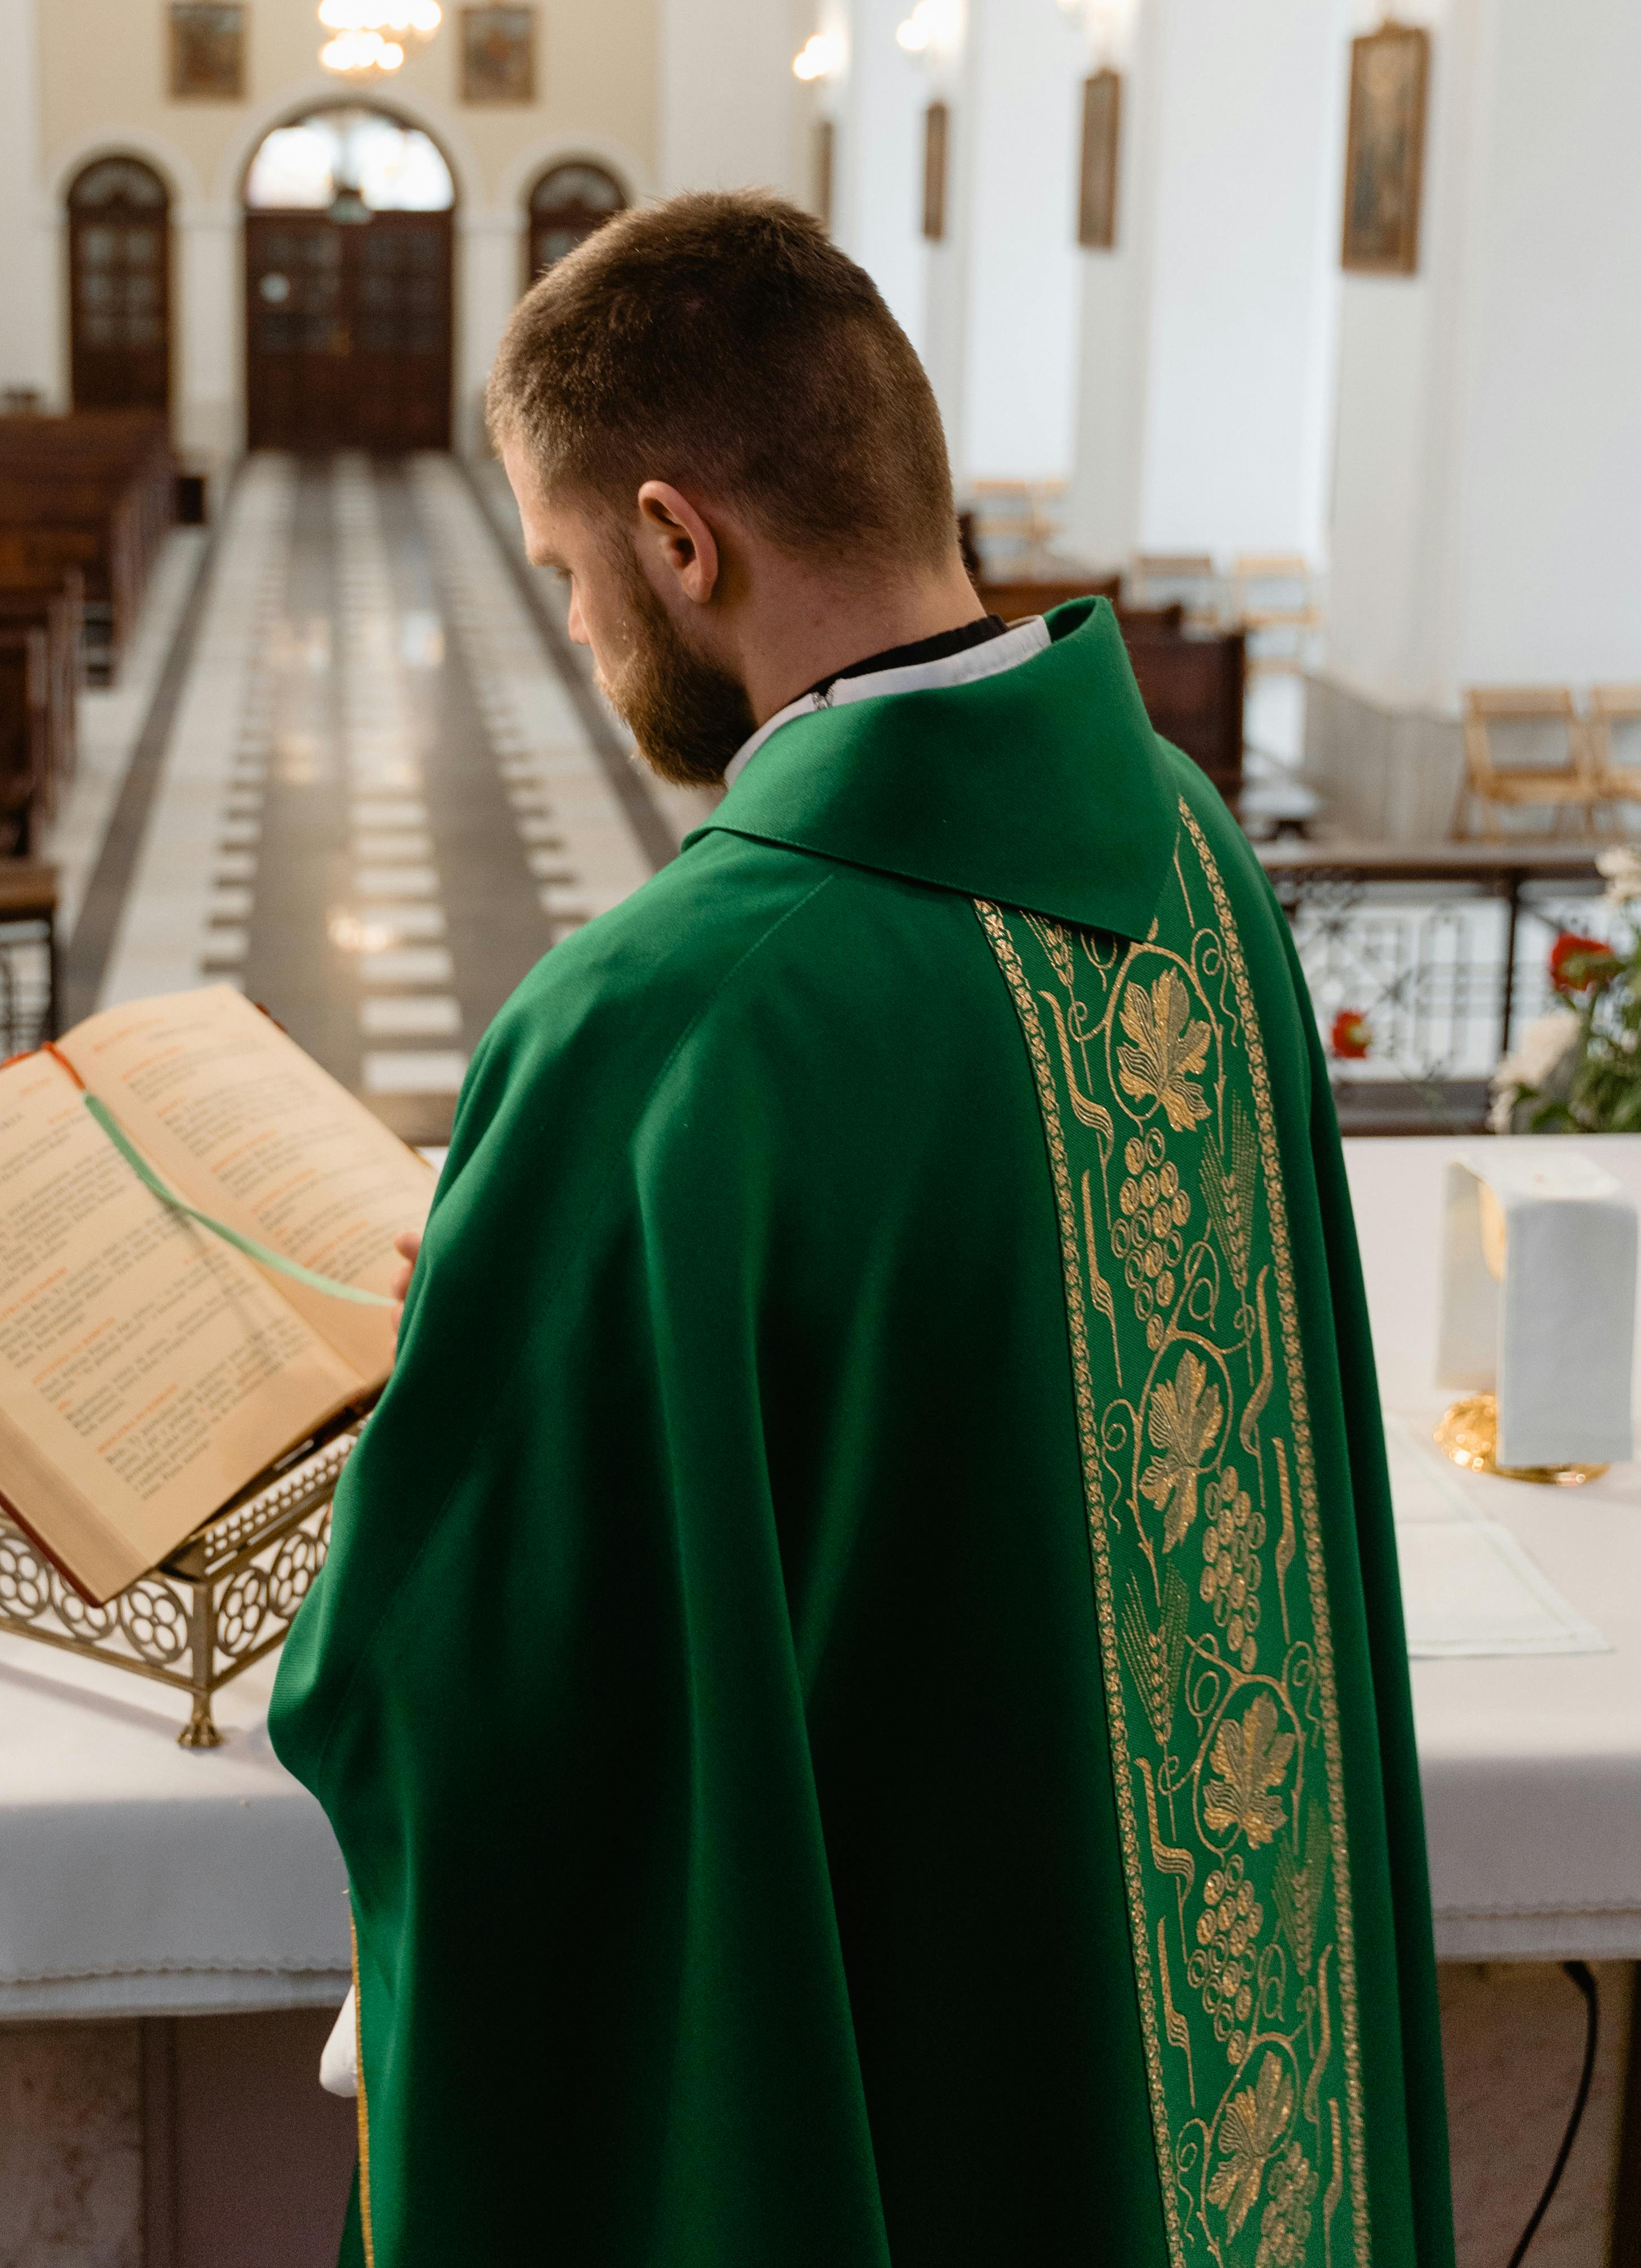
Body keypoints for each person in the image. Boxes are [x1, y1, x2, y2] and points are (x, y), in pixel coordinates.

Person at [269, 193, 1452, 2268]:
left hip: (916, 2044)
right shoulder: (1183, 843)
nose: (580, 629)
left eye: (567, 571)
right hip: (1178, 2013)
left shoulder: (672, 1013)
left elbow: (464, 1676)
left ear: (676, 539)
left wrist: (465, 1369)